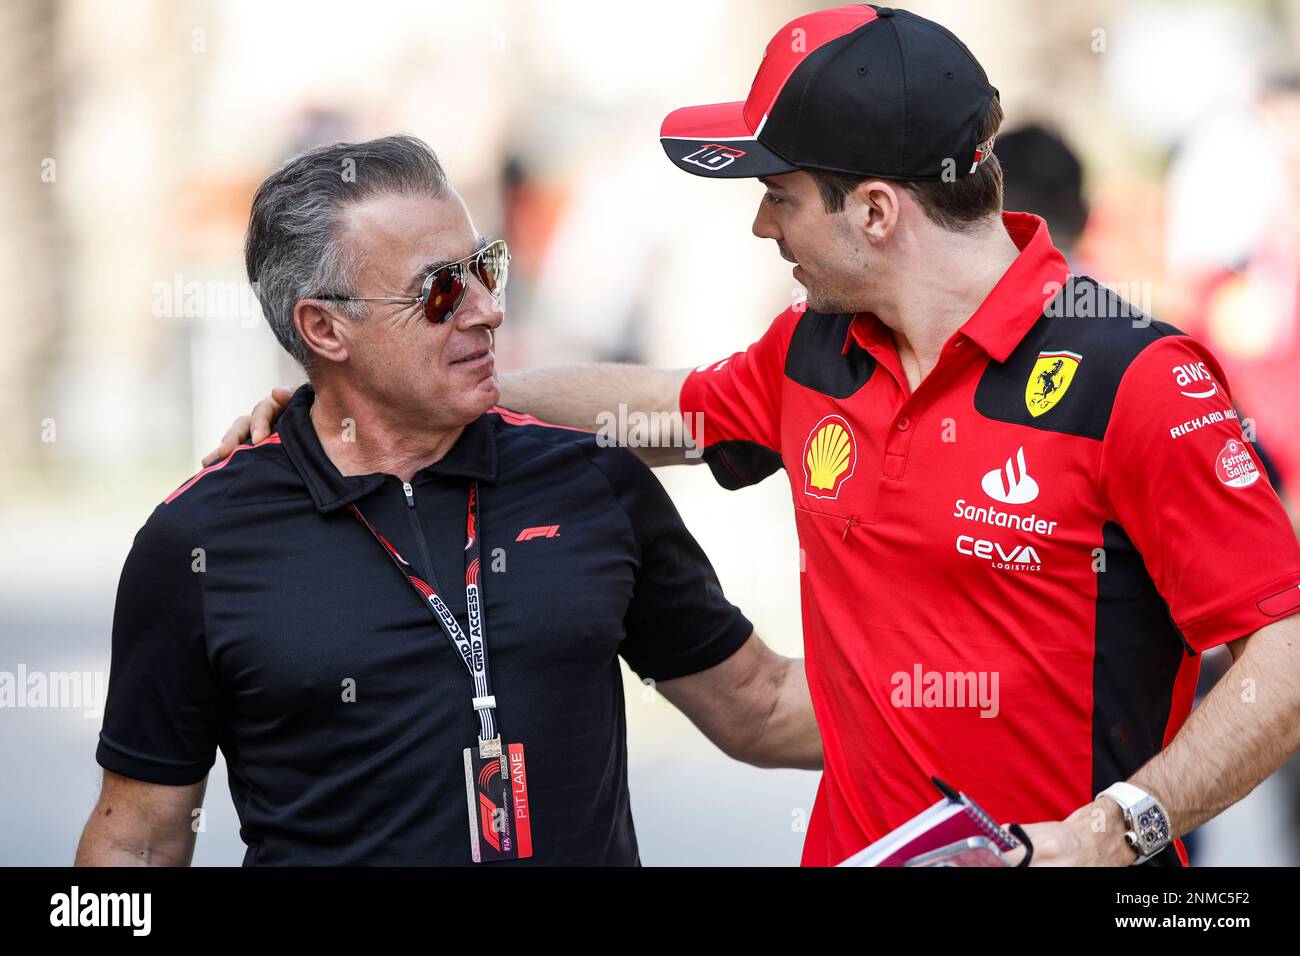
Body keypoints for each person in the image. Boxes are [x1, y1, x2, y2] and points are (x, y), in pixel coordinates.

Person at [215, 6, 1300, 867]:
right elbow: (654, 403)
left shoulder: (1135, 377)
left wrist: (1121, 827)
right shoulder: (810, 352)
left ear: (875, 212)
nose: (759, 224)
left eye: (779, 195)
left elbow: (1285, 649)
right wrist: (350, 409)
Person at [78, 135, 820, 867]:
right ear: (324, 328)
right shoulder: (201, 541)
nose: (489, 309)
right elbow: (136, 841)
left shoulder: (593, 480)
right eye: (440, 291)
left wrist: (939, 698)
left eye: (485, 268)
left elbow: (759, 707)